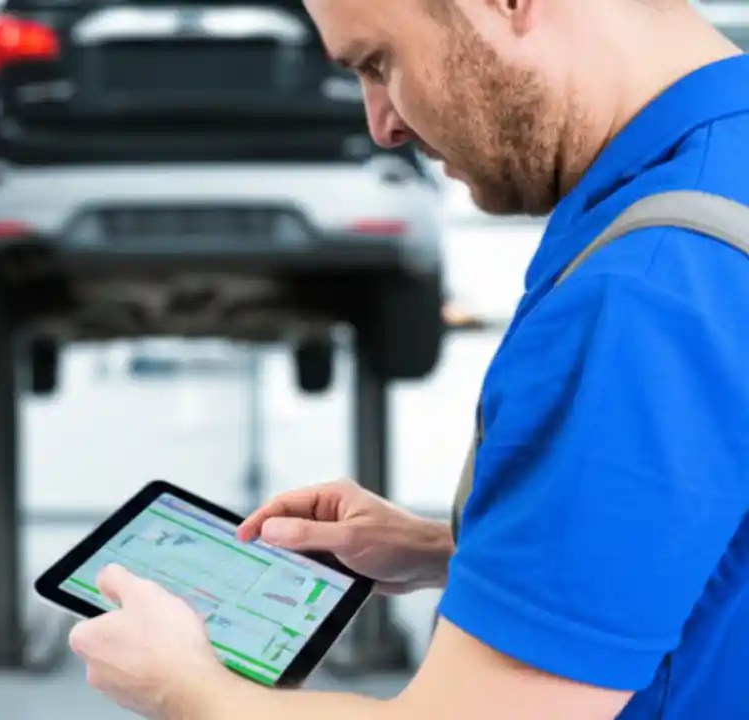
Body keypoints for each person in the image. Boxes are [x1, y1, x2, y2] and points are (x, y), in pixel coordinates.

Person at [67, 1, 749, 718]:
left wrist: (188, 687)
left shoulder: (645, 288)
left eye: (379, 63)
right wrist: (451, 551)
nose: (382, 126)